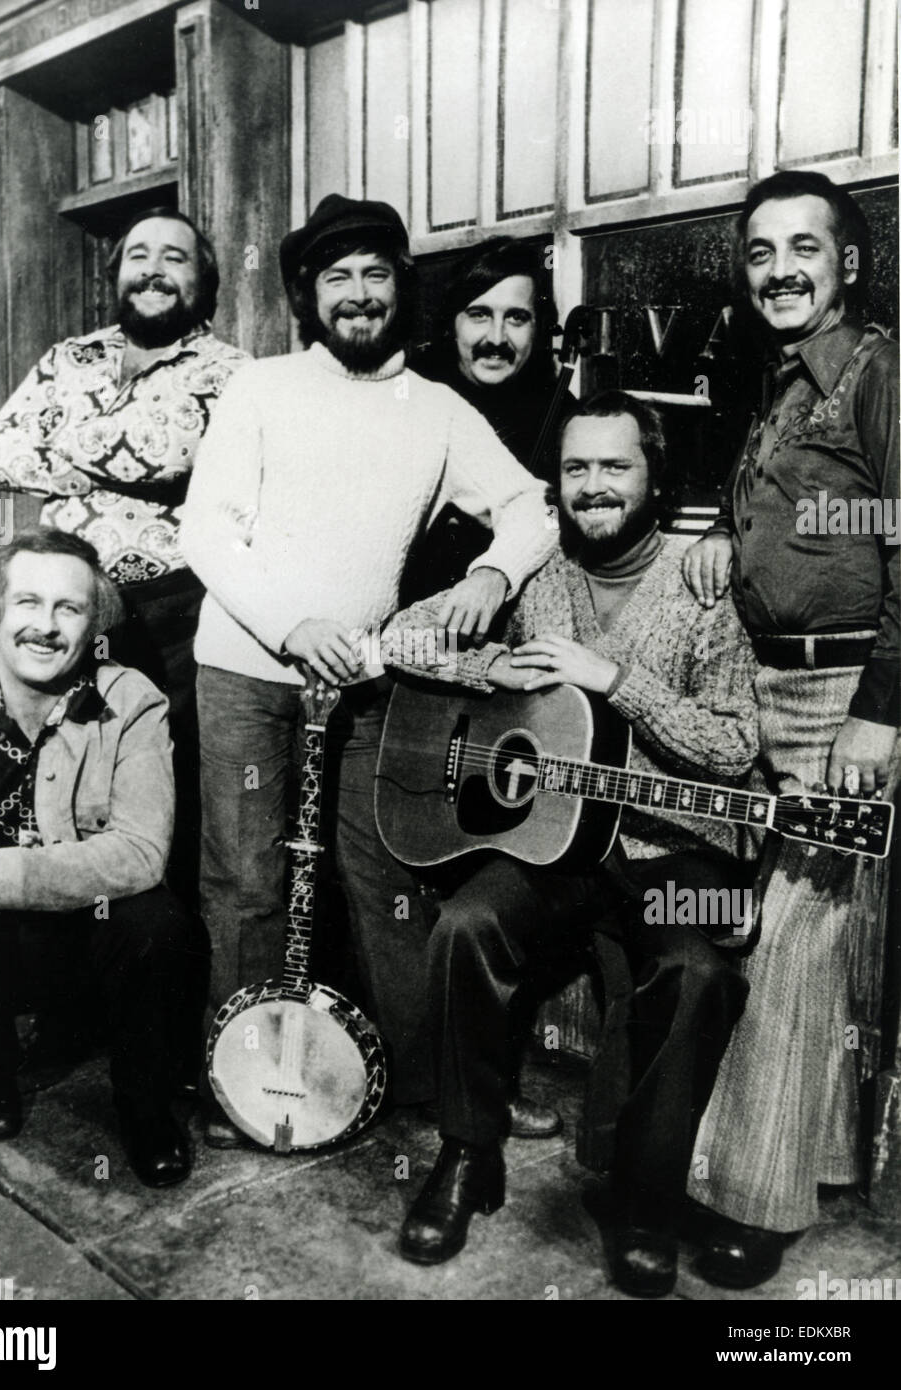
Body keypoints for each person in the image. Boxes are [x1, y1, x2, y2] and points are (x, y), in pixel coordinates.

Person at [177, 194, 556, 1146]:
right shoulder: (259, 388)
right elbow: (205, 531)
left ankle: (432, 1089)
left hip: (367, 681)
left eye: (376, 275)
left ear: (400, 289)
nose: (357, 295)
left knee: (386, 879)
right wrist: (291, 623)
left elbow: (533, 507)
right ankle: (245, 1084)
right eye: (336, 278)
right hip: (246, 670)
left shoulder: (433, 407)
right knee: (248, 882)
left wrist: (492, 569)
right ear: (309, 295)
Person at [384, 392, 760, 1296]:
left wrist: (617, 679)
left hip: (676, 846)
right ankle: (470, 1153)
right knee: (466, 929)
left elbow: (736, 742)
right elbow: (404, 644)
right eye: (576, 468)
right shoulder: (535, 571)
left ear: (654, 478)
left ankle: (642, 1196)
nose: (594, 487)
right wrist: (490, 665)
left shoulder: (704, 580)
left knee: (700, 973)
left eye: (615, 466)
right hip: (553, 839)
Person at [681, 170, 899, 1288]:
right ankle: (799, 1162)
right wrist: (723, 535)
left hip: (844, 694)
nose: (779, 270)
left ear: (846, 265)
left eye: (802, 249)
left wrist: (880, 711)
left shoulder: (878, 372)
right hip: (772, 687)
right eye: (760, 252)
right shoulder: (778, 386)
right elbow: (796, 507)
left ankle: (753, 1207)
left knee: (796, 932)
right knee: (800, 941)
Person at [0, 529, 204, 1188]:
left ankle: (145, 1105)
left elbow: (141, 852)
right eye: (28, 603)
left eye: (68, 609)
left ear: (92, 622)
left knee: (157, 925)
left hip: (81, 944)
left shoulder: (129, 701)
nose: (45, 626)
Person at [0, 209, 248, 906]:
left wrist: (67, 450)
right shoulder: (70, 357)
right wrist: (64, 468)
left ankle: (156, 960)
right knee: (52, 772)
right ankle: (51, 954)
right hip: (62, 612)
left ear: (203, 282)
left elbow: (166, 454)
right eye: (139, 255)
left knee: (160, 792)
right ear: (117, 273)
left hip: (172, 617)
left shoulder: (232, 374)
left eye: (175, 258)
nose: (154, 270)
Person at [403, 236, 565, 603]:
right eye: (479, 314)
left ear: (538, 327)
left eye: (516, 318)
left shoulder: (561, 413)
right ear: (452, 323)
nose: (496, 337)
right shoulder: (412, 394)